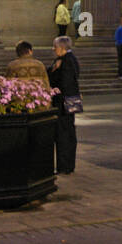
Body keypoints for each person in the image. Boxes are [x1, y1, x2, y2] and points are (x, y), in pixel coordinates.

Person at [47, 36, 80, 174]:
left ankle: (64, 166)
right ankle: (68, 165)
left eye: (55, 47)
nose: (54, 50)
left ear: (61, 48)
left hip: (64, 102)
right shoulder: (70, 59)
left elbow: (63, 83)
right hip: (72, 99)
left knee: (63, 134)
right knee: (69, 132)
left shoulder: (65, 61)